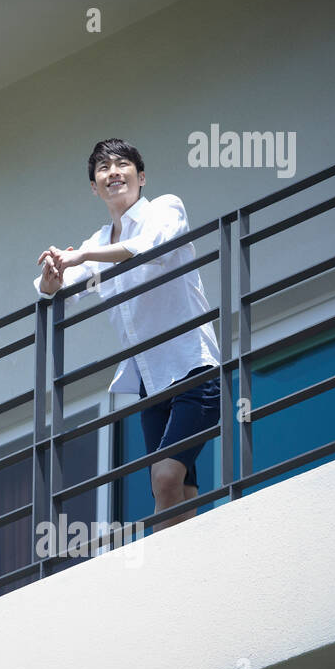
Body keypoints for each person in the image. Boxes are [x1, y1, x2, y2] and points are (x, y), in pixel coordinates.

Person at [33, 139, 221, 532]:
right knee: (176, 488)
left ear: (142, 176)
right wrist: (51, 279)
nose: (113, 172)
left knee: (165, 477)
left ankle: (160, 573)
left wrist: (82, 258)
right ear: (94, 186)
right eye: (103, 168)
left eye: (122, 165)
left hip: (193, 368)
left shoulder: (166, 208)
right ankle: (184, 567)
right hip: (150, 382)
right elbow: (56, 285)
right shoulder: (97, 242)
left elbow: (149, 247)